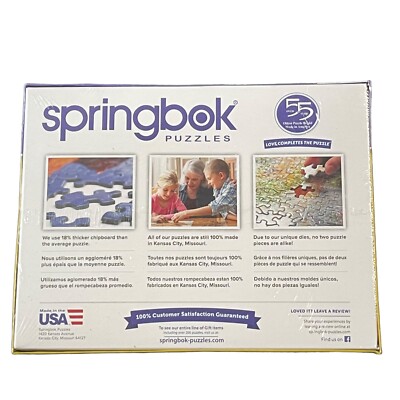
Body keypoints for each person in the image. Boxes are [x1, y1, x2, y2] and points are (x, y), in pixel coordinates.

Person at [172, 159, 237, 222]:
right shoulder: (176, 190)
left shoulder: (228, 188)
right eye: (187, 178)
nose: (189, 183)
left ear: (202, 178)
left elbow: (215, 207)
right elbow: (222, 210)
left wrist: (186, 213)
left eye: (194, 179)